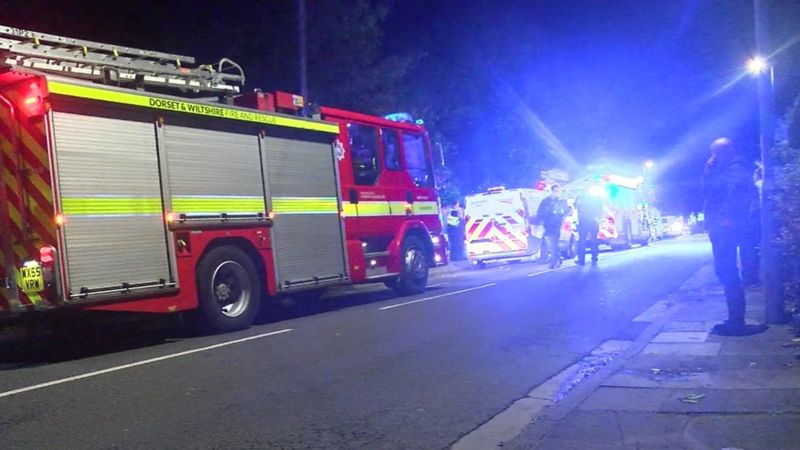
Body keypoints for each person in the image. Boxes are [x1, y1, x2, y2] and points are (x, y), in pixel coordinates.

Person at [703, 137, 767, 336]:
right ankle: (735, 320)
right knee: (727, 272)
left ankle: (736, 322)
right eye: (714, 152)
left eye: (718, 152)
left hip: (727, 229)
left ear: (727, 151)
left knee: (727, 272)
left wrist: (724, 220)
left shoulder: (734, 170)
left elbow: (732, 196)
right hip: (725, 228)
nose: (715, 156)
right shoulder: (726, 168)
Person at [536, 184, 569, 269]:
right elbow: (540, 212)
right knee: (552, 244)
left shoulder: (561, 201)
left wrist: (563, 216)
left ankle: (554, 262)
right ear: (551, 191)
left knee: (552, 243)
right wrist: (540, 221)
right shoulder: (545, 201)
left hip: (556, 224)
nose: (556, 193)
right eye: (555, 191)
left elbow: (567, 211)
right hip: (547, 224)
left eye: (558, 191)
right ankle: (557, 259)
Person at [574, 189, 604, 266]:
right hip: (593, 222)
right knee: (594, 239)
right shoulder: (596, 199)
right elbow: (600, 209)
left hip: (583, 222)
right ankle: (594, 257)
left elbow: (575, 206)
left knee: (582, 241)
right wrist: (598, 218)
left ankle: (581, 260)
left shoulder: (580, 198)